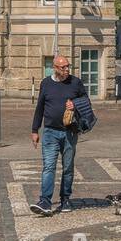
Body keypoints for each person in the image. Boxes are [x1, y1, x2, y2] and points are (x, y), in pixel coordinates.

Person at [30, 54, 87, 216]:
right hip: (50, 132)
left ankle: (65, 198)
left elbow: (86, 101)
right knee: (49, 167)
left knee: (68, 167)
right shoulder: (46, 84)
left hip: (70, 132)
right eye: (63, 67)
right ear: (55, 68)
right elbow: (39, 108)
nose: (67, 69)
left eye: (68, 66)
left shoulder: (76, 83)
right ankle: (45, 201)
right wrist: (35, 130)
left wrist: (75, 104)